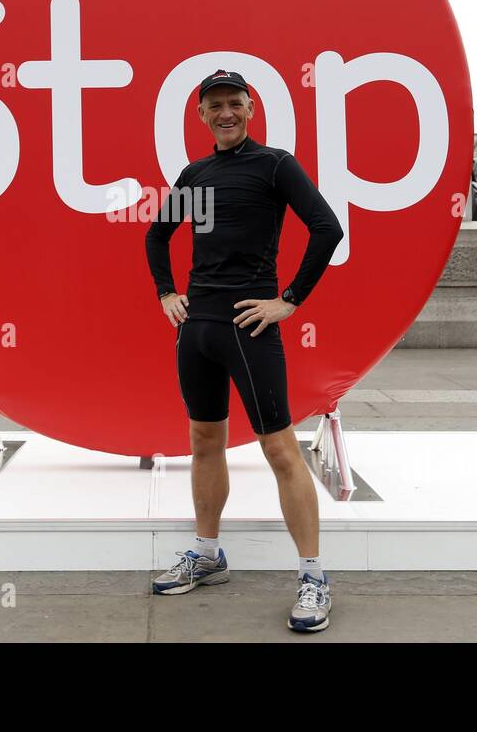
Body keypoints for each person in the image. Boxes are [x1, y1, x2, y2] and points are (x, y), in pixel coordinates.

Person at [144, 68, 345, 633]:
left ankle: (314, 577)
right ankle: (207, 554)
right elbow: (157, 234)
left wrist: (289, 301)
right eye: (215, 106)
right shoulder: (196, 173)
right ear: (202, 115)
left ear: (251, 108)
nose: (225, 112)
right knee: (204, 441)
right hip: (199, 327)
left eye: (234, 102)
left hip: (249, 326)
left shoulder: (275, 164)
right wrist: (166, 293)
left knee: (280, 450)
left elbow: (327, 229)